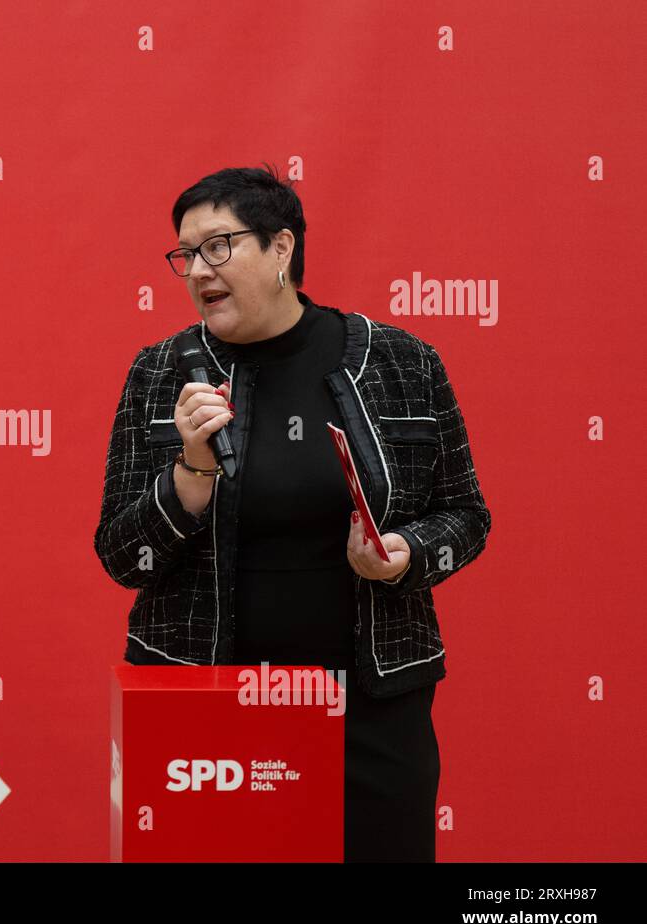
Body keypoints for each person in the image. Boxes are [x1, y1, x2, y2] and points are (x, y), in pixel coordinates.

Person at [93, 165, 491, 862]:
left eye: (219, 246)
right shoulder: (161, 371)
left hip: (371, 705)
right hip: (208, 710)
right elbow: (124, 557)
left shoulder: (401, 361)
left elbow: (466, 515)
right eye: (184, 255)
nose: (196, 270)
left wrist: (406, 553)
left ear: (282, 248)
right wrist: (191, 473)